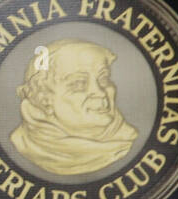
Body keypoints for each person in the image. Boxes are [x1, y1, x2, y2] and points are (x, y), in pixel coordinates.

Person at [9, 40, 138, 176]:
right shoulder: (23, 143)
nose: (100, 92)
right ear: (45, 100)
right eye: (78, 83)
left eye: (103, 79)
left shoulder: (128, 138)